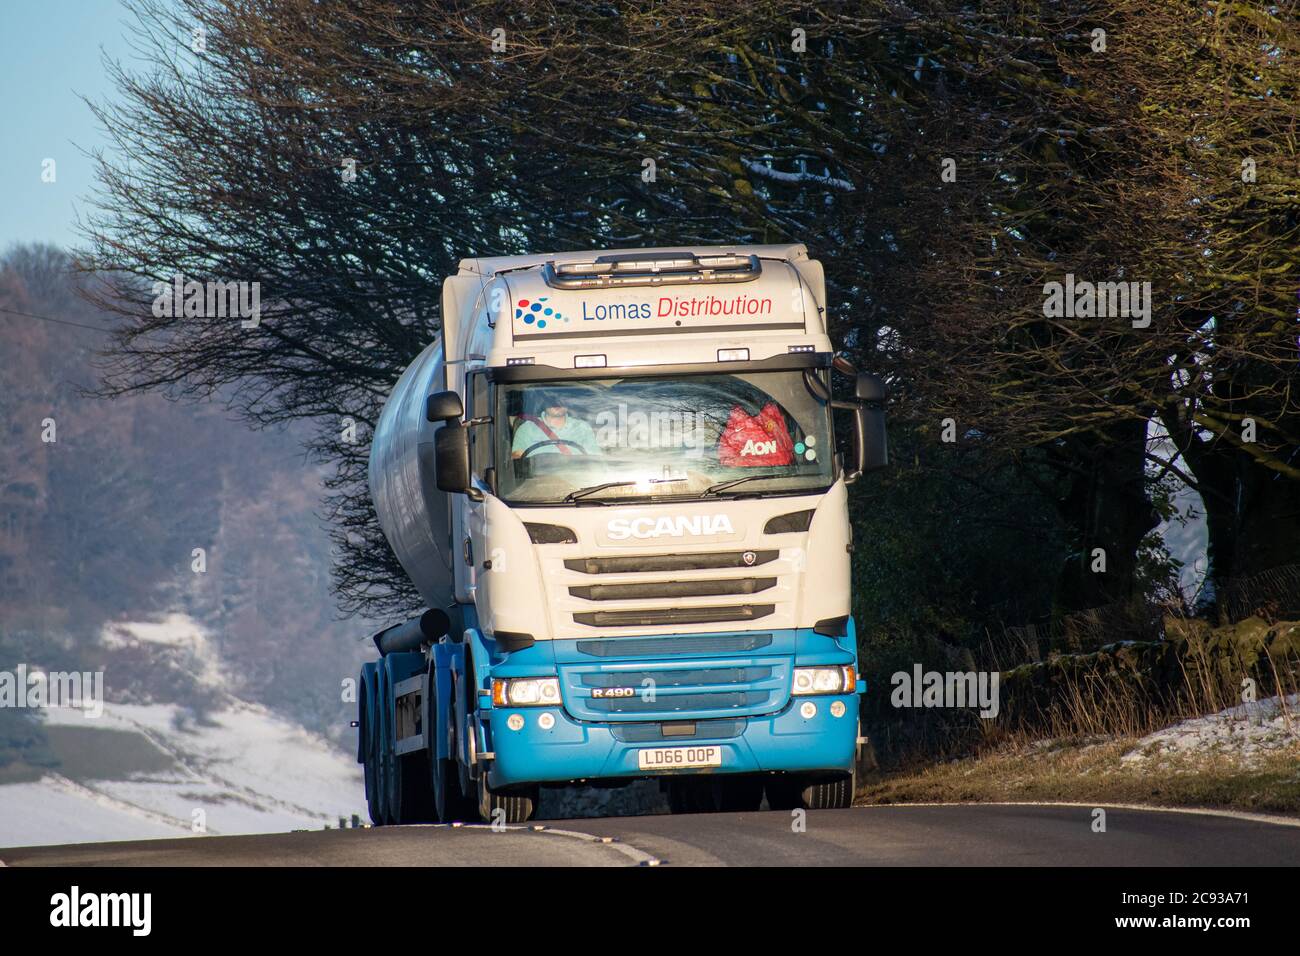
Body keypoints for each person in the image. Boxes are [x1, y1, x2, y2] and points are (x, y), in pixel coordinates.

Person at [511, 391, 601, 458]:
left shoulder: (582, 428)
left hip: (577, 479)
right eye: (551, 399)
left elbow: (595, 459)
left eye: (562, 399)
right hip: (537, 481)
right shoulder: (527, 428)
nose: (557, 402)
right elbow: (517, 460)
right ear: (543, 402)